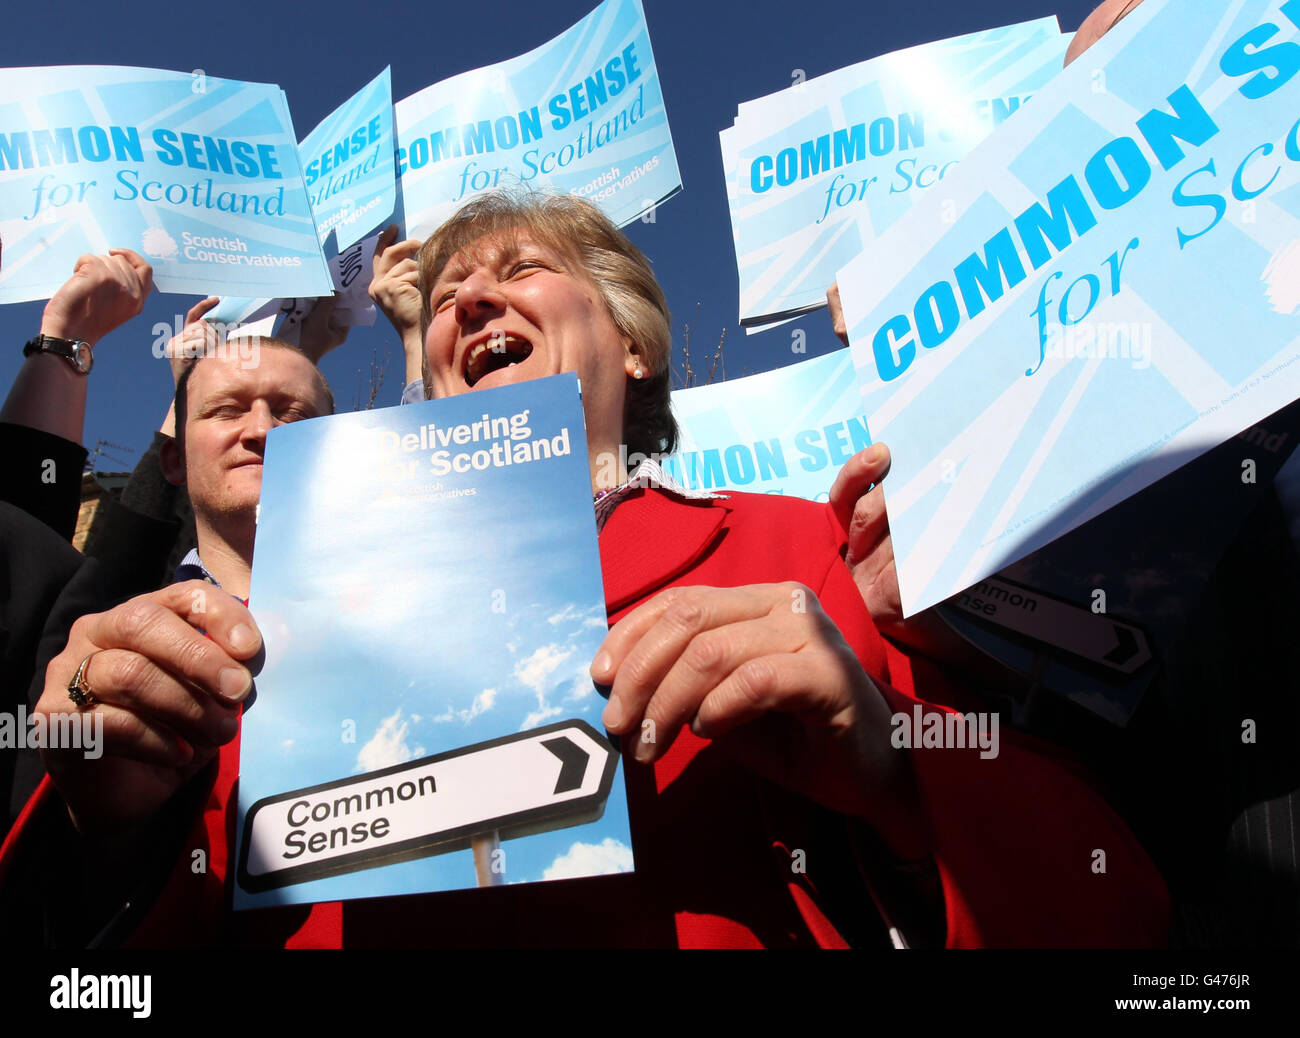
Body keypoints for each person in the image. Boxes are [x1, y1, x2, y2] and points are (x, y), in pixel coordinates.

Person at [3, 189, 1168, 949]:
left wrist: (896, 792)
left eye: (521, 268)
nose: (469, 294)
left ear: (639, 346)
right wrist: (101, 818)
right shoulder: (290, 611)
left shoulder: (810, 551)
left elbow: (1113, 908)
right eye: (449, 288)